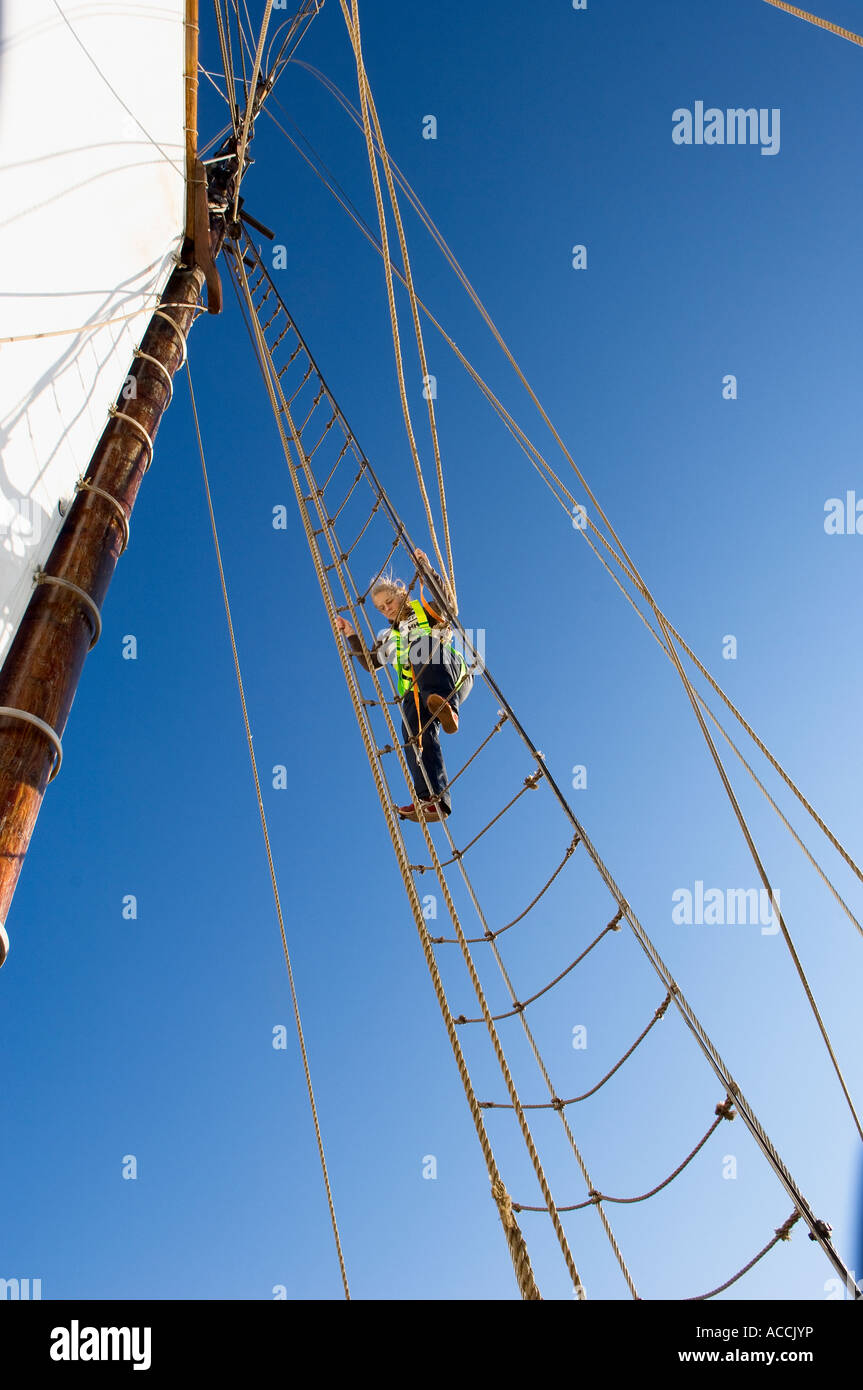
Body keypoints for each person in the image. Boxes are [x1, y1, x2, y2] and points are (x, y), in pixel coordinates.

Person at [334, 549, 472, 821]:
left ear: (400, 593)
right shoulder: (388, 636)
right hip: (420, 692)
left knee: (421, 645)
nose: (387, 609)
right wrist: (351, 635)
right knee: (413, 735)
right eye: (381, 608)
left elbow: (448, 603)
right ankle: (432, 800)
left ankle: (448, 708)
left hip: (451, 676)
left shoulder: (424, 609)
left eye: (389, 601)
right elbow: (372, 663)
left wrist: (426, 568)